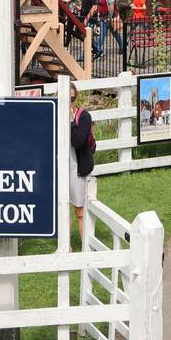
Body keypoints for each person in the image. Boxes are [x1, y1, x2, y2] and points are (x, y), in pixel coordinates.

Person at [69, 93, 96, 238]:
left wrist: (72, 121)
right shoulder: (55, 116)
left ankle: (86, 248)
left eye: (72, 99)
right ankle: (65, 247)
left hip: (78, 170)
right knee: (62, 210)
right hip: (62, 168)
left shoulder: (84, 117)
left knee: (80, 211)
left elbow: (78, 142)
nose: (69, 102)